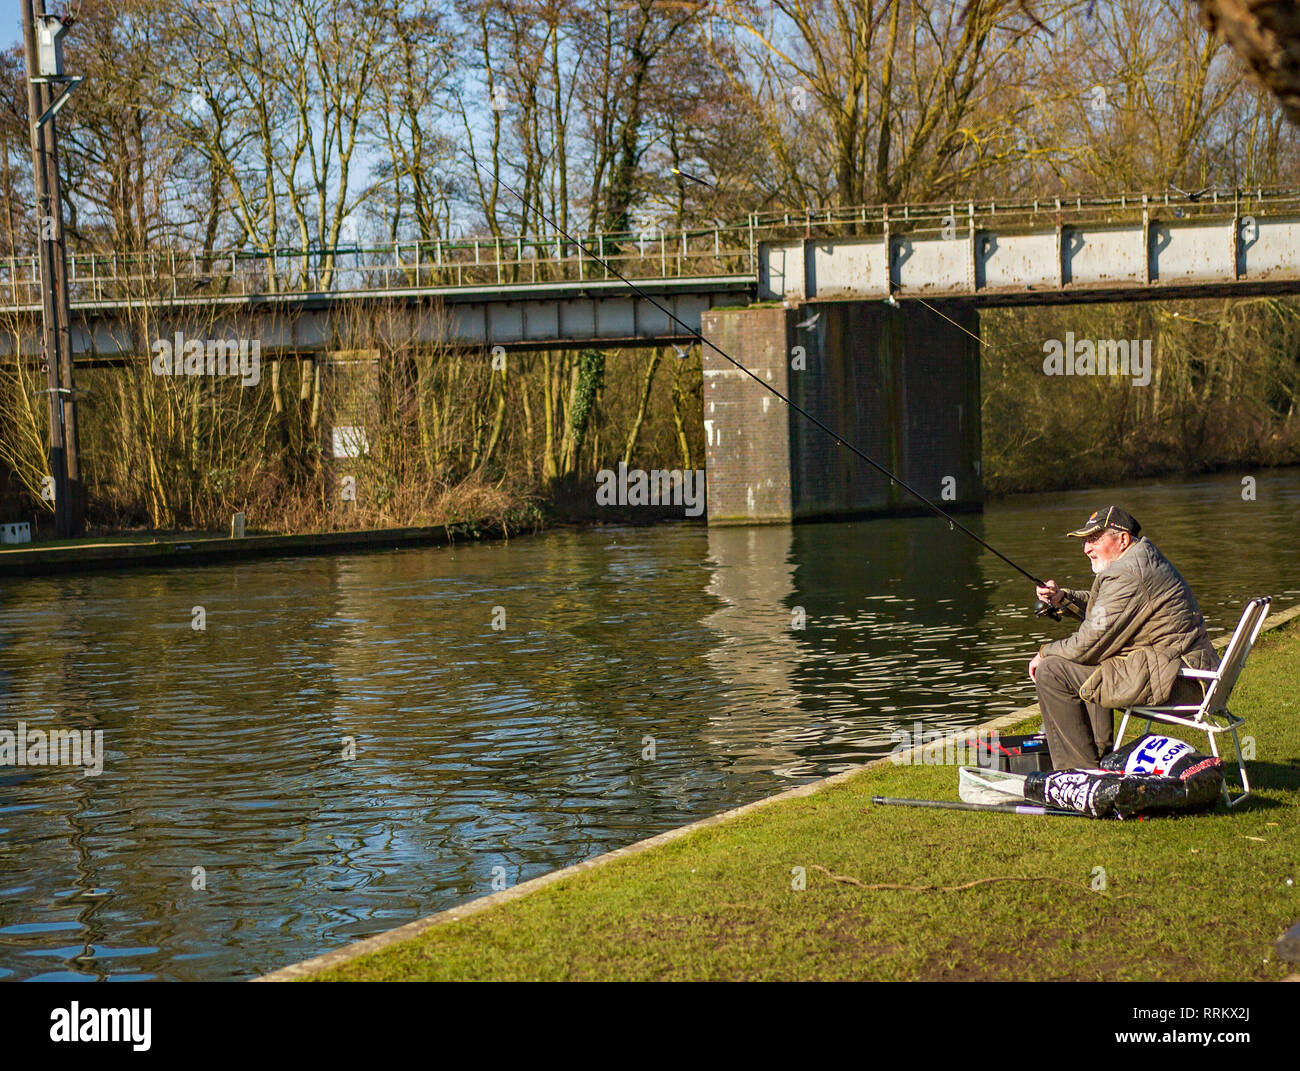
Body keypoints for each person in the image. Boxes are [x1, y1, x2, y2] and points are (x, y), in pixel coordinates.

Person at [1027, 506, 1218, 770]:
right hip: (1190, 676)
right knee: (1093, 659)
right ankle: (1099, 759)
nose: (1086, 549)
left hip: (1181, 686)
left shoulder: (1127, 573)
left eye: (1095, 539)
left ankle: (1078, 773)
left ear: (1123, 539)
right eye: (1085, 541)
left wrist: (1044, 652)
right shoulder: (1141, 559)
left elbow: (1088, 644)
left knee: (1052, 671)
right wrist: (1064, 598)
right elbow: (1107, 615)